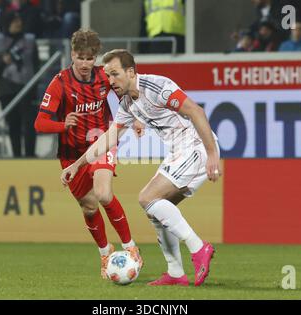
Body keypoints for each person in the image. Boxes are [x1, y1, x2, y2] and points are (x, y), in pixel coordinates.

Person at [60, 49, 221, 287]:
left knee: (147, 197)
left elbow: (196, 111)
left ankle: (199, 248)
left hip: (195, 147)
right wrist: (77, 164)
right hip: (179, 153)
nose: (110, 81)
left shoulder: (157, 86)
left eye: (115, 74)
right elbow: (109, 138)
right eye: (108, 76)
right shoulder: (127, 103)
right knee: (155, 209)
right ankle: (176, 273)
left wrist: (211, 155)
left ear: (131, 72)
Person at [34, 30, 143, 280]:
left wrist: (136, 118)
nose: (85, 64)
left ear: (96, 58)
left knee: (103, 193)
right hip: (71, 153)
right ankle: (105, 253)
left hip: (101, 141)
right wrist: (62, 124)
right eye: (80, 57)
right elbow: (39, 124)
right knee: (89, 205)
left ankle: (131, 247)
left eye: (90, 58)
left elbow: (126, 96)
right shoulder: (59, 83)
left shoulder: (104, 77)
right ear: (72, 55)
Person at [0, 12, 38, 157]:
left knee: (30, 125)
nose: (18, 24)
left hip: (27, 86)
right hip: (6, 88)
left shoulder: (30, 40)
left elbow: (36, 64)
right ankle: (17, 156)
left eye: (19, 20)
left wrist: (36, 87)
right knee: (13, 124)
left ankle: (30, 155)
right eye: (14, 21)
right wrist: (2, 61)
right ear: (7, 23)